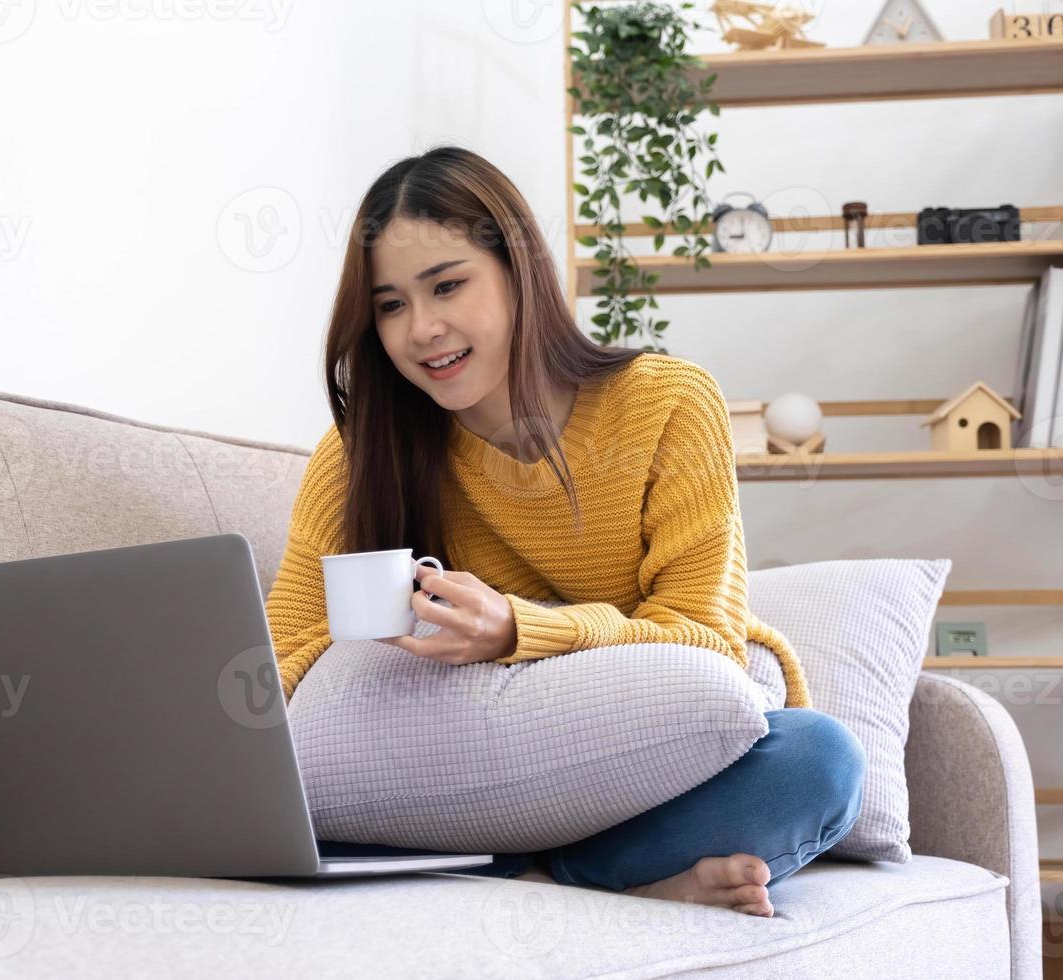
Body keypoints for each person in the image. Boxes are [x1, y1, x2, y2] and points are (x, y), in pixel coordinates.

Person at [264, 145, 864, 917]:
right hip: (465, 780)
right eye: (390, 305)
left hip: (641, 767)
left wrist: (521, 629)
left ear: (519, 272)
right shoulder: (361, 449)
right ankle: (604, 884)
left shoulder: (668, 406)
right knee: (281, 808)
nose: (422, 329)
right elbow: (285, 649)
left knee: (816, 761)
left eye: (447, 285)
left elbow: (705, 639)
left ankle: (538, 879)